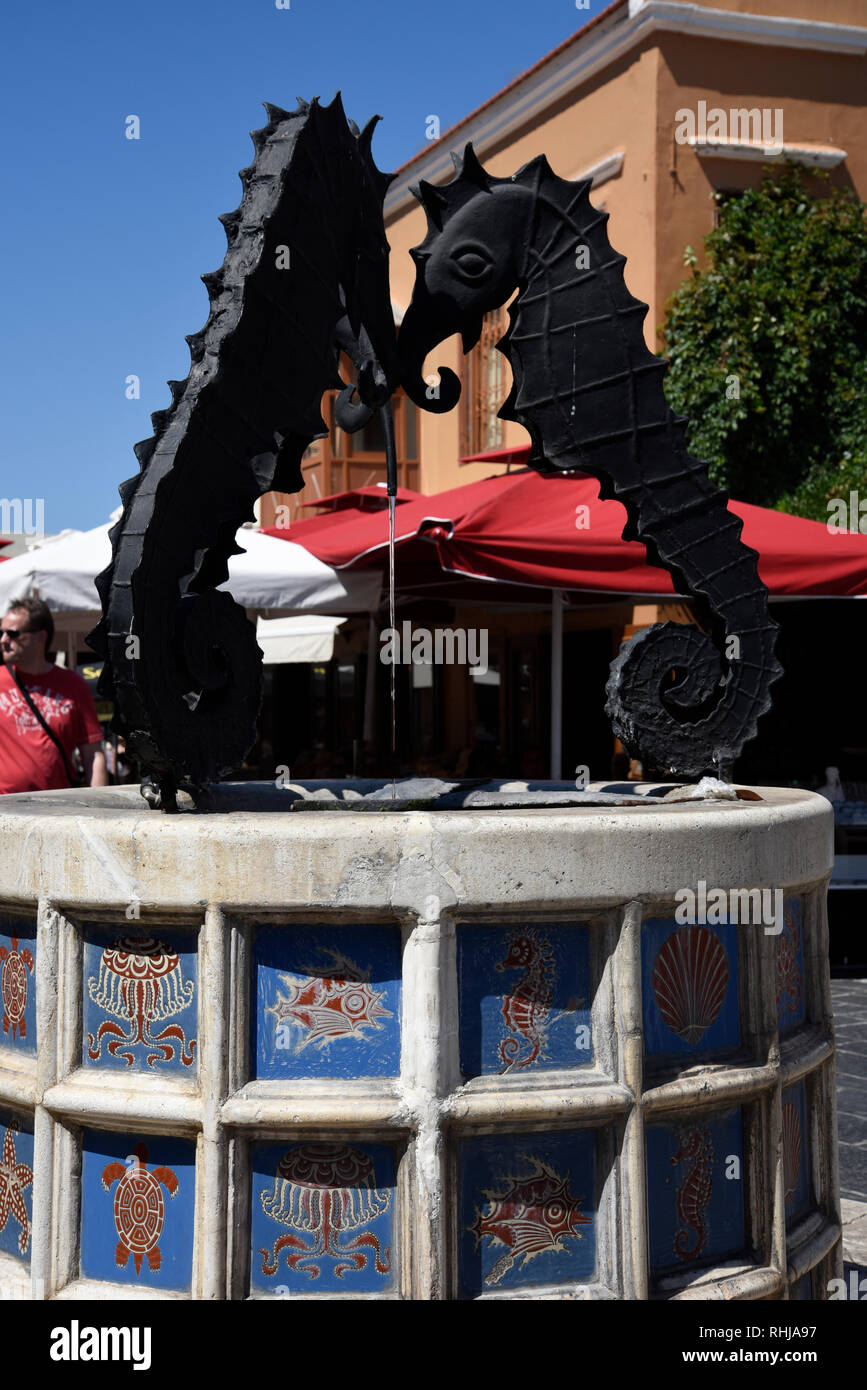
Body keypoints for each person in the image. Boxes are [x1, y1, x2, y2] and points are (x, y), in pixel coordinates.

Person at [0, 597, 108, 794]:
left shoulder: (73, 685)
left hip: (56, 810)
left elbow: (93, 754)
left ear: (40, 637)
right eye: (2, 632)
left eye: (12, 633)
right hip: (4, 810)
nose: (3, 640)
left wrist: (99, 811)